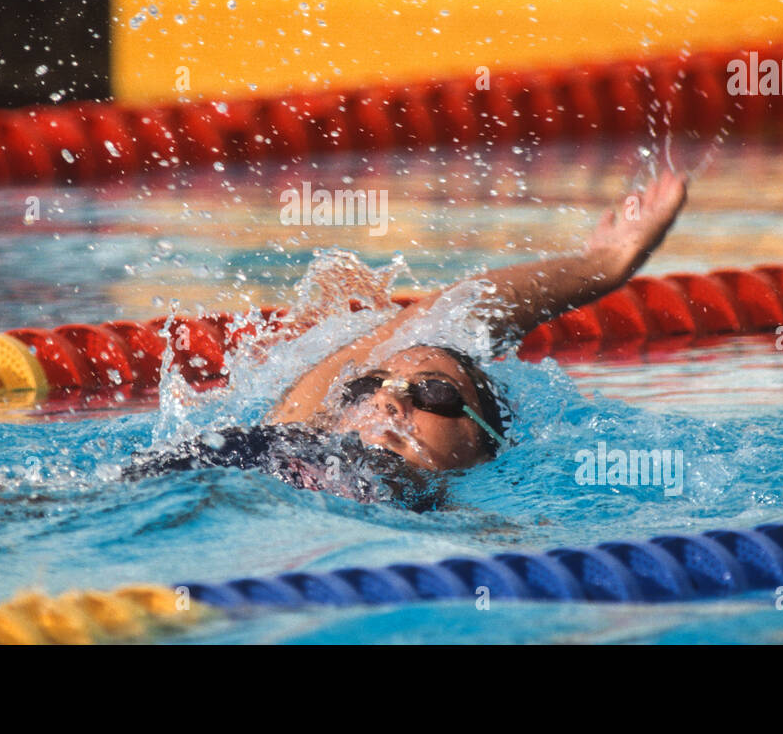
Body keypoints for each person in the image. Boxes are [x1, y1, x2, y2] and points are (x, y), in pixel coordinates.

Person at [119, 171, 688, 504]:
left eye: (435, 394)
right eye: (366, 387)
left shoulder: (470, 538)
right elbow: (440, 313)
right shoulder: (281, 440)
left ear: (486, 449)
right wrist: (603, 265)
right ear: (333, 414)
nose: (389, 400)